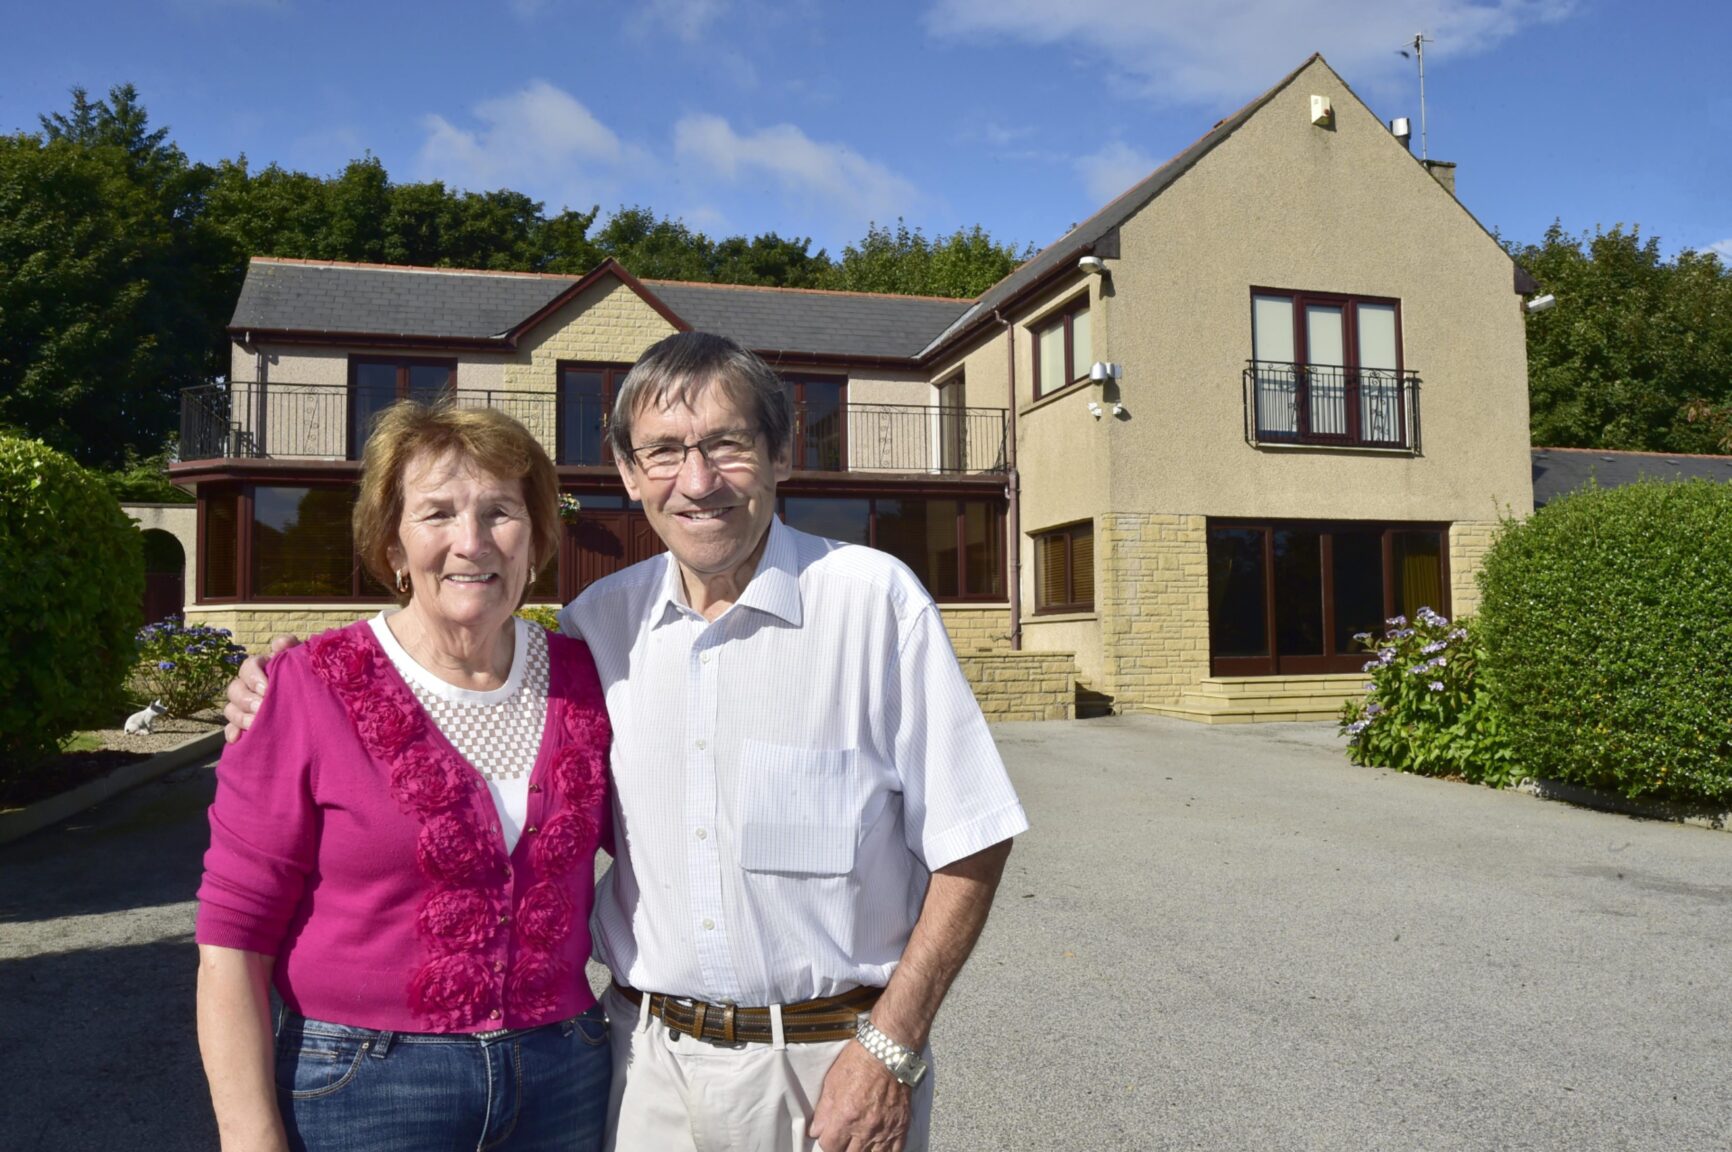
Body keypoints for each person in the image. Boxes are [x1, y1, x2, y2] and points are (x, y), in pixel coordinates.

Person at [226, 331, 1029, 1152]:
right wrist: (282, 686)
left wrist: (891, 1047)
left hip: (832, 1069)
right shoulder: (600, 626)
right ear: (627, 473)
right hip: (643, 1072)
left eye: (727, 445)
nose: (698, 481)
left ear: (782, 453)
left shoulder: (873, 604)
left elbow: (974, 837)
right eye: (665, 452)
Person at [197, 403, 614, 1152]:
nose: (471, 541)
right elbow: (232, 941)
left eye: (500, 512)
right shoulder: (304, 688)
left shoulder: (588, 682)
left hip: (564, 1073)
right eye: (437, 513)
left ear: (538, 536)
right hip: (366, 1087)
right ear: (392, 542)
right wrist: (249, 1139)